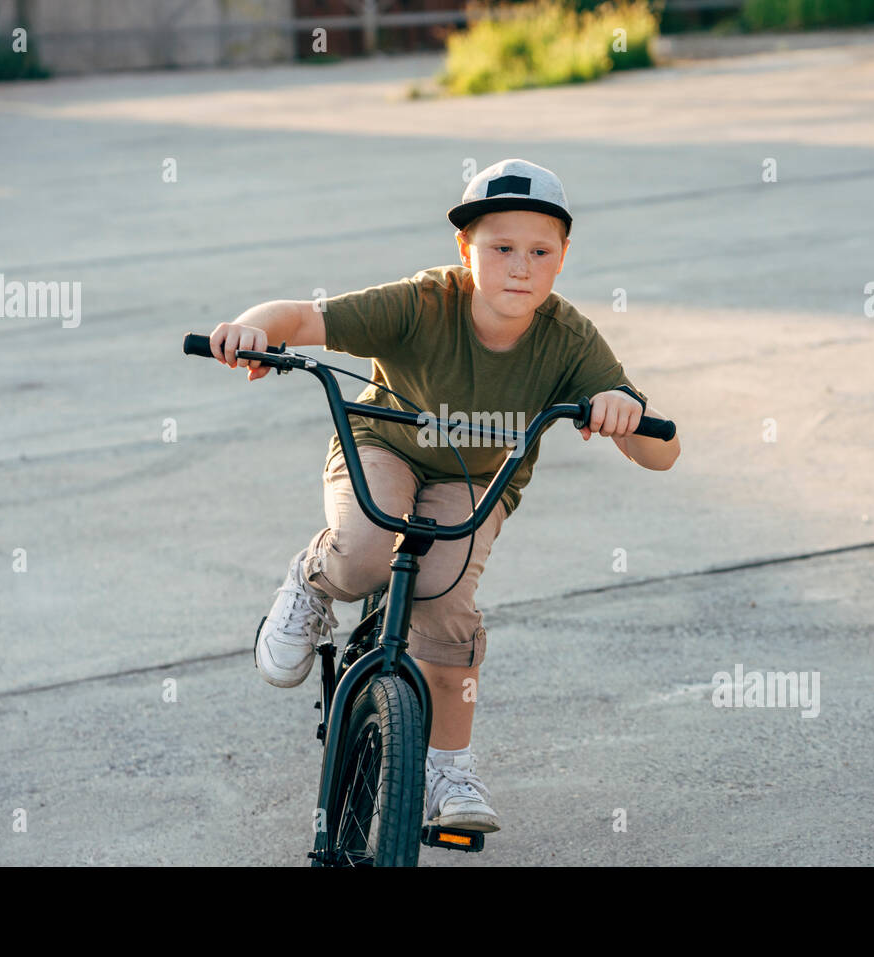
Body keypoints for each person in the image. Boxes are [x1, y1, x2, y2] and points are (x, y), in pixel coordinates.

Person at [205, 158, 679, 834]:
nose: (521, 266)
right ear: (466, 248)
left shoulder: (567, 339)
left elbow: (661, 454)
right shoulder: (424, 302)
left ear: (563, 258)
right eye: (502, 248)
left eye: (540, 252)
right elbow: (302, 318)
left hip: (474, 478)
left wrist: (621, 410)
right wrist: (251, 327)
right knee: (367, 553)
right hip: (384, 445)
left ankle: (448, 767)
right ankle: (312, 579)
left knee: (445, 592)